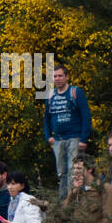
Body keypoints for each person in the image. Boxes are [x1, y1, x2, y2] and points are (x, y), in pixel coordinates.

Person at [43, 65, 91, 200]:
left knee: (74, 170)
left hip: (74, 137)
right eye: (55, 76)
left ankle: (75, 200)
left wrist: (84, 139)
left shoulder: (75, 92)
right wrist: (48, 136)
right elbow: (46, 118)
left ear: (66, 76)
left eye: (60, 76)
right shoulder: (50, 95)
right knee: (61, 172)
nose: (57, 79)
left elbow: (86, 116)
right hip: (58, 139)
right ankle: (63, 202)